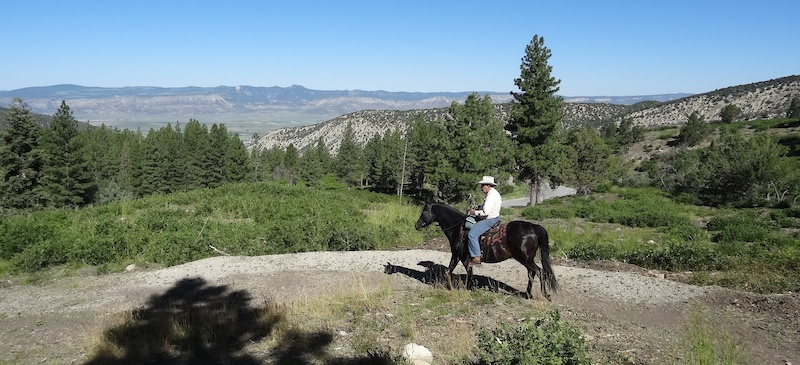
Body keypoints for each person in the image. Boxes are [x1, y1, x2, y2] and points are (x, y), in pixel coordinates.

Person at [467, 176, 502, 266]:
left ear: (488, 186)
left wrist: (473, 212)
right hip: (494, 217)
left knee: (472, 235)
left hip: (489, 219)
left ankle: (476, 257)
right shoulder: (494, 194)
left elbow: (485, 213)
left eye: (482, 186)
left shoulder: (491, 196)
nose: (481, 188)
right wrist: (479, 207)